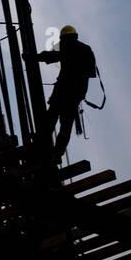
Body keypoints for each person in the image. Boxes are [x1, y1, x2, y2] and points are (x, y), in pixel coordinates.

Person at [25, 25, 98, 160]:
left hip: (64, 88)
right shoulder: (86, 48)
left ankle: (41, 139)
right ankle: (58, 151)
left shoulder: (66, 45)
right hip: (77, 92)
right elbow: (91, 72)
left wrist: (33, 57)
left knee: (52, 115)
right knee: (66, 123)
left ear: (63, 37)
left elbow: (51, 56)